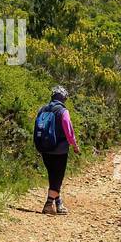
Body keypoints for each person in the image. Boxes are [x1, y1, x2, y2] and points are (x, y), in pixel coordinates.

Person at [33, 85, 80, 215]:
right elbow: (68, 130)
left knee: (52, 176)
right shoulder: (63, 111)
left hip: (44, 148)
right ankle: (48, 205)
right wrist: (74, 145)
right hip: (59, 149)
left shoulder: (42, 109)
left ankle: (59, 204)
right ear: (63, 98)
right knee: (57, 177)